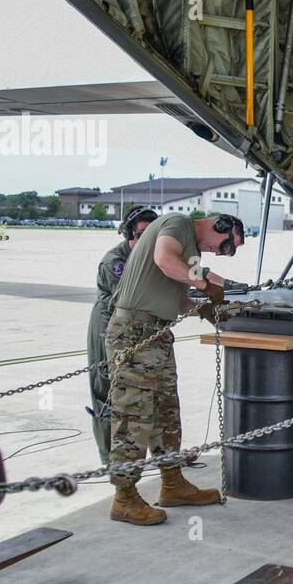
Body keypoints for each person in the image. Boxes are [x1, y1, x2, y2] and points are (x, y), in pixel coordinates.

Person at [105, 212, 245, 526]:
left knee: (166, 412)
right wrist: (205, 284)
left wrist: (209, 308)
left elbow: (181, 299)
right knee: (134, 415)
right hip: (135, 333)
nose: (220, 253)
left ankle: (172, 483)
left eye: (227, 252)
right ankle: (124, 498)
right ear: (217, 224)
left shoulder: (191, 253)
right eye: (225, 246)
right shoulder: (178, 224)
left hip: (156, 334)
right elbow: (164, 258)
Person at [87, 205, 158, 464]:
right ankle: (109, 460)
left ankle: (152, 456)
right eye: (141, 235)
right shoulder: (115, 262)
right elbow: (125, 299)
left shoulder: (152, 257)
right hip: (107, 327)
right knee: (107, 391)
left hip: (136, 327)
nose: (147, 241)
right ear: (129, 235)